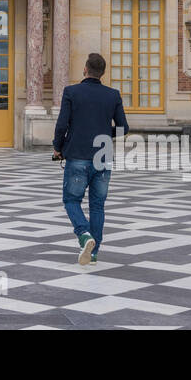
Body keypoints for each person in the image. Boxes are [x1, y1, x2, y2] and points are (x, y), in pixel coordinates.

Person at [52, 52, 128, 266]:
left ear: (85, 69)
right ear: (102, 72)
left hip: (77, 155)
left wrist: (58, 147)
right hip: (103, 158)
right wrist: (103, 132)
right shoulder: (113, 95)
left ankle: (84, 234)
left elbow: (61, 125)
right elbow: (123, 128)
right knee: (97, 206)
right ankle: (93, 254)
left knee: (71, 200)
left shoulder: (71, 92)